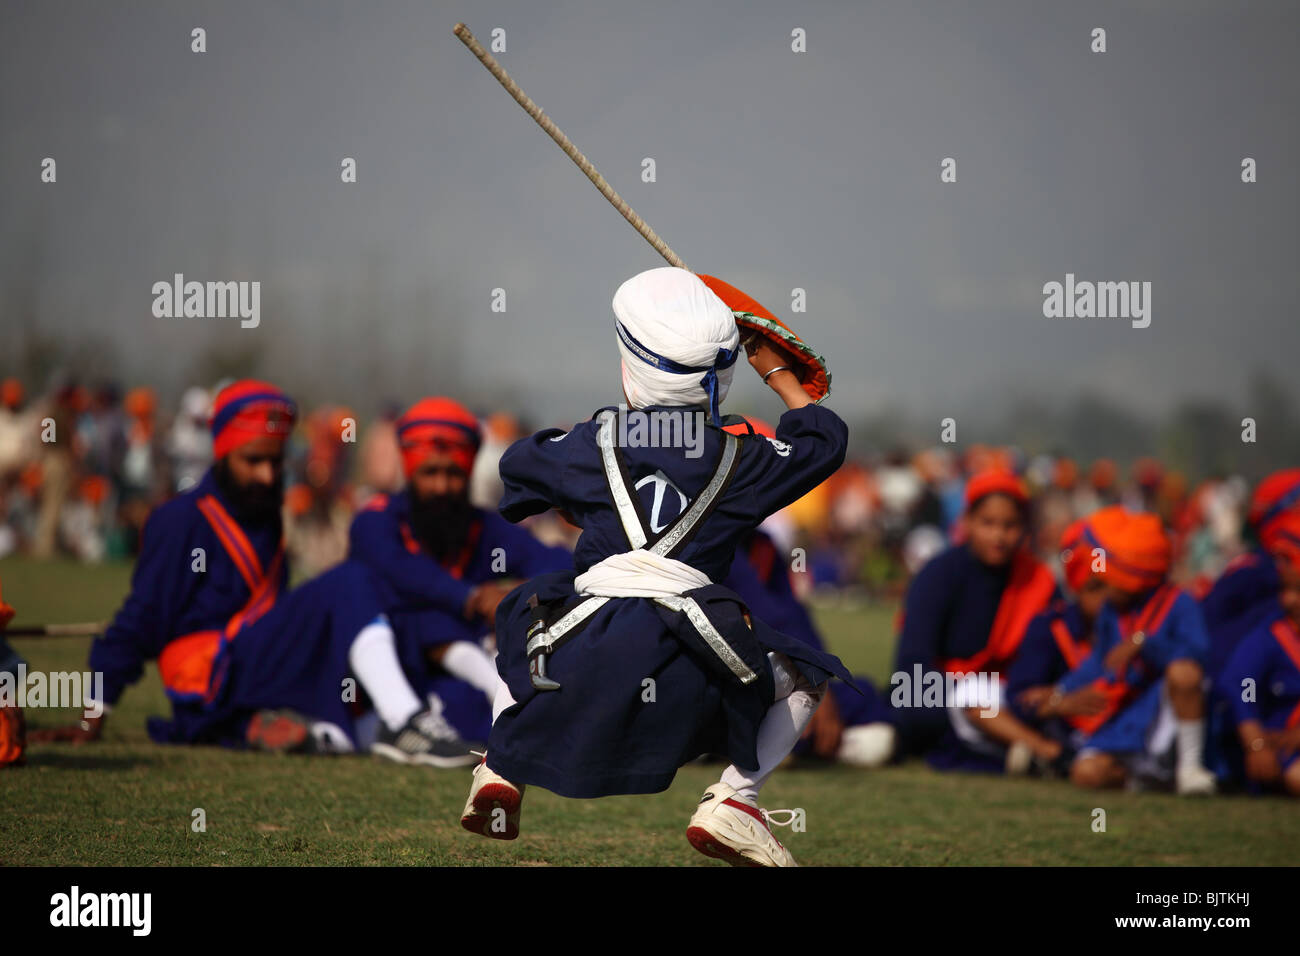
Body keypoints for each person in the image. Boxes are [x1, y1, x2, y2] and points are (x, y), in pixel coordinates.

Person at [459, 267, 851, 866]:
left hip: (573, 655)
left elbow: (517, 467)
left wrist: (577, 492)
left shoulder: (591, 444)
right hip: (690, 667)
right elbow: (823, 442)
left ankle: (499, 768)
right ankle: (735, 803)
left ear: (628, 365)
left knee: (522, 613)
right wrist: (775, 370)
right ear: (721, 376)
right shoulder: (744, 459)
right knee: (805, 675)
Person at [30, 380, 472, 765]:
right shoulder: (179, 519)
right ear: (222, 453)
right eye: (253, 461)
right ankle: (403, 722)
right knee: (351, 580)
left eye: (276, 462)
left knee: (416, 669)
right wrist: (93, 712)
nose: (267, 475)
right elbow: (142, 617)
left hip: (256, 664)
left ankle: (334, 727)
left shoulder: (264, 515)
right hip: (213, 677)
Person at [349, 396, 570, 746]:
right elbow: (398, 568)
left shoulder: (483, 528)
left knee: (472, 719)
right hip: (392, 660)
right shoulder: (375, 519)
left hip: (454, 670)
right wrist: (472, 599)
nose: (441, 486)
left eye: (453, 474)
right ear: (409, 470)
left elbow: (559, 563)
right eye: (430, 473)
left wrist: (518, 597)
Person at [890, 469, 1057, 769]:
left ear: (1024, 528)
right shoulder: (939, 574)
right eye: (988, 523)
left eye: (1010, 525)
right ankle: (1035, 751)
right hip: (943, 692)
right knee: (916, 704)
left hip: (1011, 694)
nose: (999, 536)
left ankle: (1006, 746)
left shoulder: (1039, 580)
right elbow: (913, 661)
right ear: (967, 522)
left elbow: (1054, 651)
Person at [1060, 506, 1217, 795]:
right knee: (1086, 773)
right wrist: (1060, 692)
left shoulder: (1180, 603)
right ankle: (1145, 781)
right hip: (1129, 717)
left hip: (1169, 710)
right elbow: (1101, 662)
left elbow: (1198, 655)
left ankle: (1190, 767)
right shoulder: (1112, 610)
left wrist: (1145, 643)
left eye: (1112, 574)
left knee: (1184, 673)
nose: (1106, 584)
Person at [1216, 508, 1300, 796]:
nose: (1289, 601)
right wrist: (1255, 742)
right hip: (1280, 747)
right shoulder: (1273, 634)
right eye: (1287, 591)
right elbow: (1243, 684)